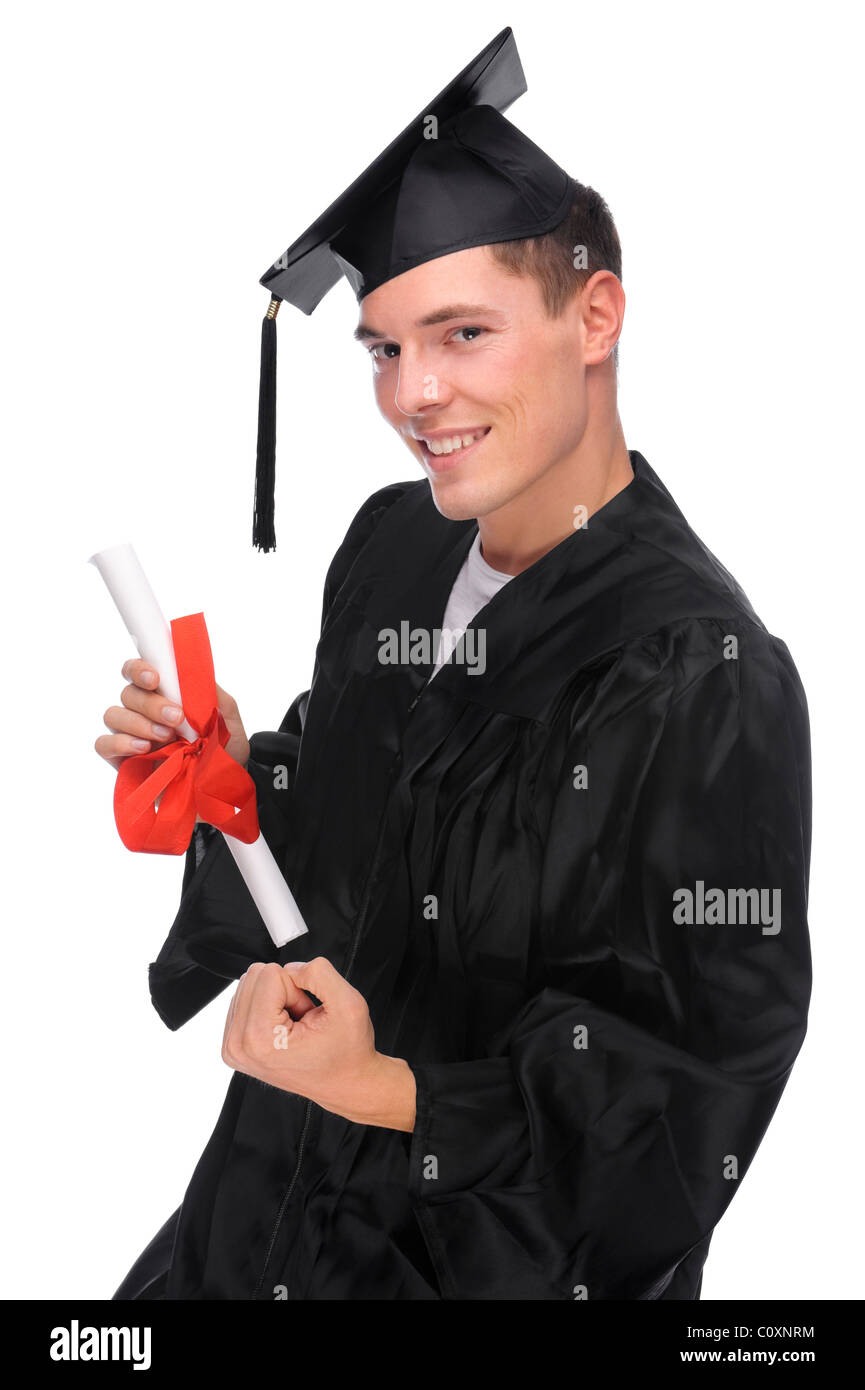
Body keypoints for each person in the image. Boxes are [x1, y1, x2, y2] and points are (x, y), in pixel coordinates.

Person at [95, 31, 811, 1300]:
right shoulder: (391, 551)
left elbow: (690, 1091)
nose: (413, 394)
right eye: (382, 348)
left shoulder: (698, 676)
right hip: (253, 1224)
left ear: (595, 314)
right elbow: (345, 843)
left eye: (462, 332)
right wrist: (236, 774)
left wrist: (387, 1090)